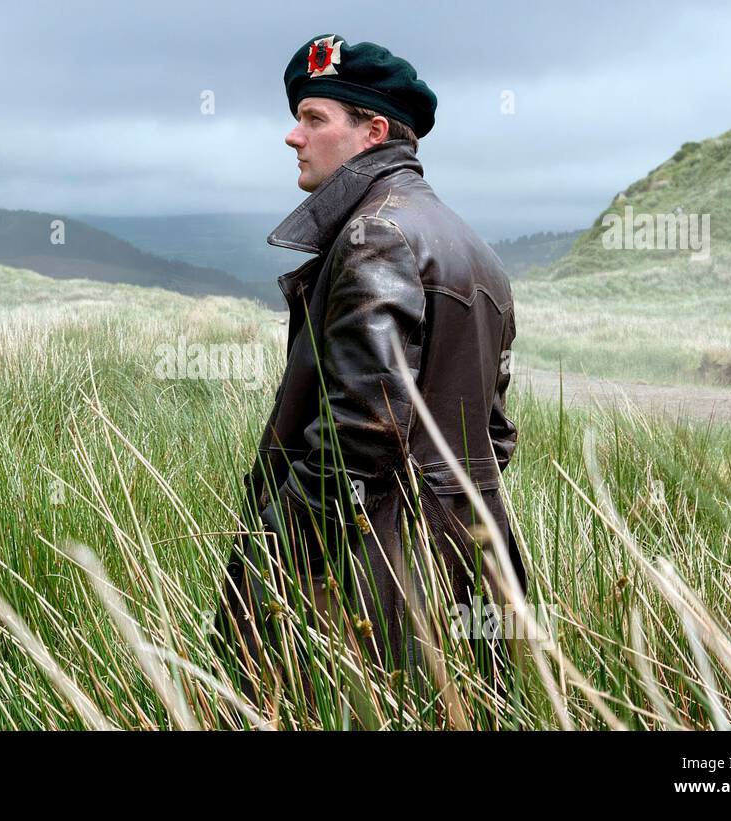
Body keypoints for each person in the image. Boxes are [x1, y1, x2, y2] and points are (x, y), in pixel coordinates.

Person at [212, 34, 529, 711]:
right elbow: (495, 438)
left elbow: (360, 438)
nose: (292, 136)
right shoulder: (475, 248)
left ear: (373, 131)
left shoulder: (374, 235)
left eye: (314, 118)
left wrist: (271, 562)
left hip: (378, 575)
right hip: (477, 562)